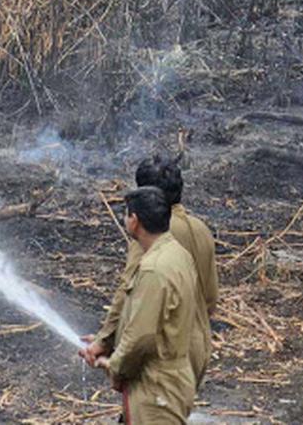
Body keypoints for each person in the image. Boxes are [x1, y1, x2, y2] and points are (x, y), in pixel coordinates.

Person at [81, 155, 218, 386]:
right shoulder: (201, 229)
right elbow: (211, 299)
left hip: (166, 357)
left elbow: (128, 292)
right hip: (198, 346)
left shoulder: (154, 237)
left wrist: (105, 341)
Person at [84, 187, 200, 424]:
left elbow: (142, 335)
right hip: (171, 379)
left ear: (134, 221)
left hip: (156, 389)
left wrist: (112, 364)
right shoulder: (177, 253)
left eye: (126, 215)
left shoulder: (153, 269)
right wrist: (105, 342)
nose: (125, 220)